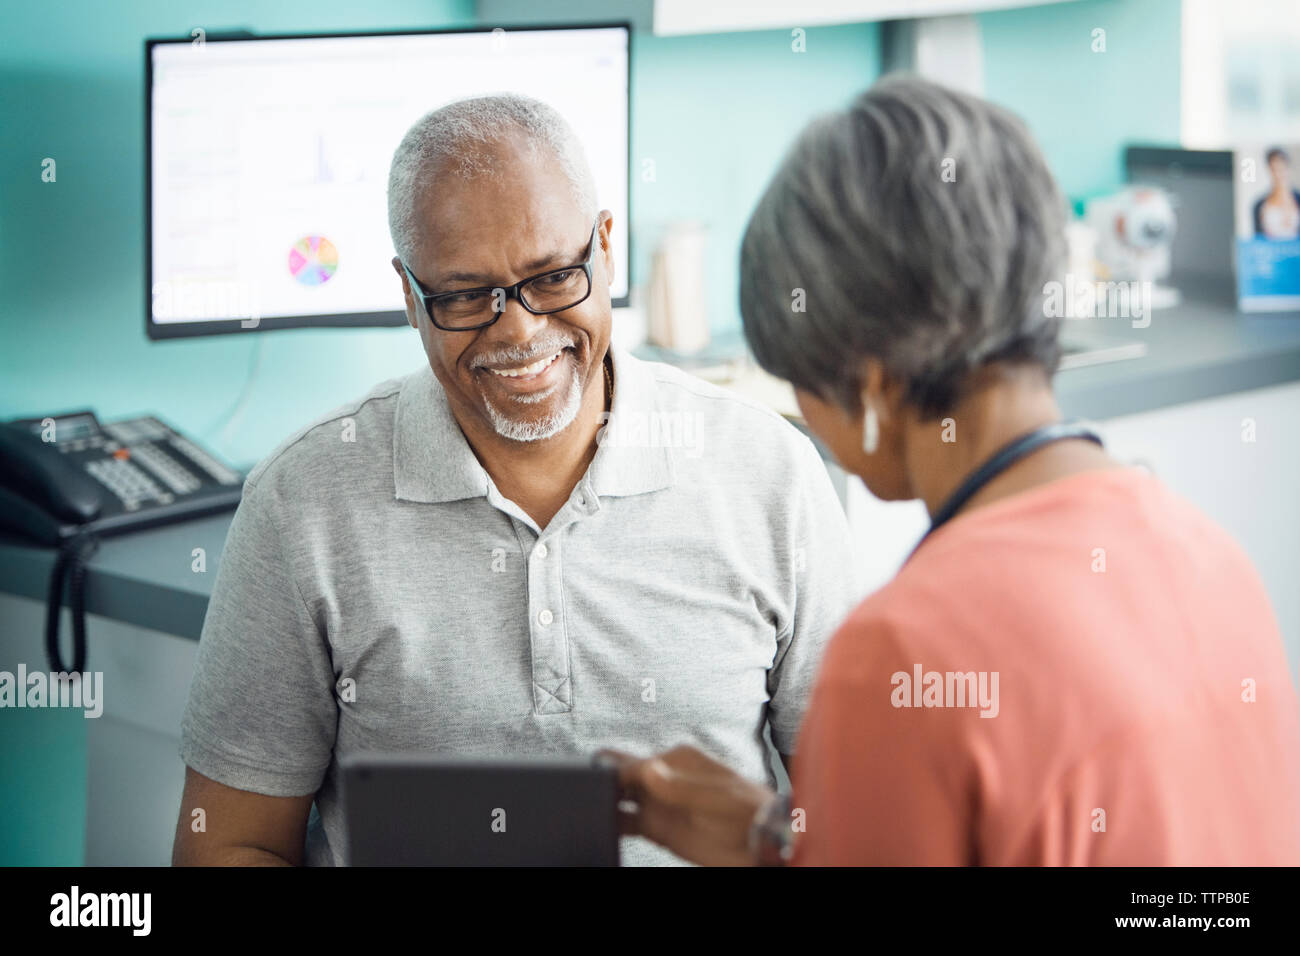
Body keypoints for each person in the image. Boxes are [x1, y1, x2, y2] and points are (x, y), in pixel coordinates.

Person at [607, 75, 1300, 866]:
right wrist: (783, 838)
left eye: (795, 382)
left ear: (869, 383)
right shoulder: (1215, 561)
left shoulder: (902, 660)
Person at [171, 94, 856, 866]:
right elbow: (226, 845)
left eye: (554, 276)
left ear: (604, 246)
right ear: (408, 295)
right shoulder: (301, 507)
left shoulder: (770, 474)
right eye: (466, 297)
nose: (519, 330)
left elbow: (863, 832)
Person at [1252, 147, 1300, 240]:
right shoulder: (1259, 204)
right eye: (1274, 169)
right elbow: (1257, 239)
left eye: (1282, 167)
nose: (1279, 173)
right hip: (1270, 252)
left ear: (1288, 168)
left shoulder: (1298, 199)